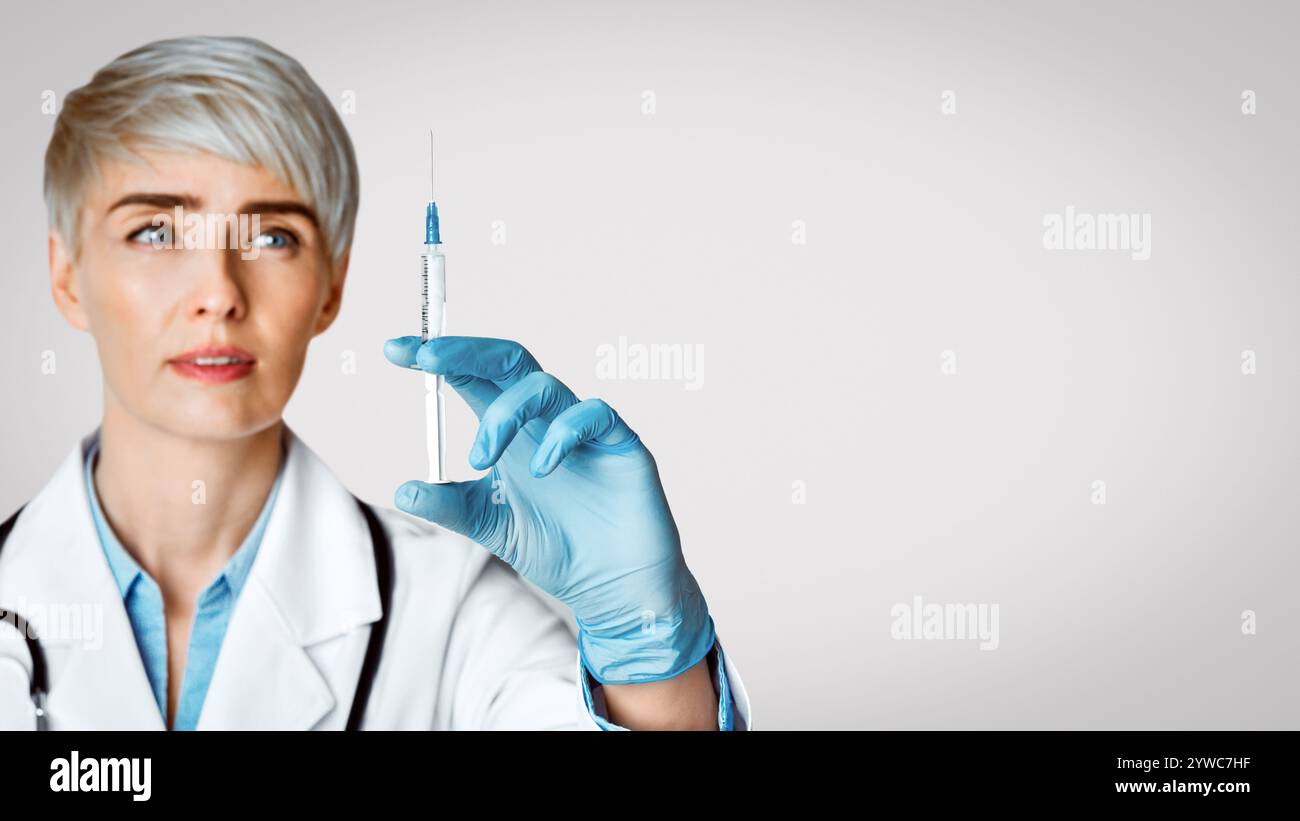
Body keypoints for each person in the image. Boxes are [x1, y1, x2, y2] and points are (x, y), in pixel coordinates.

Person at [0, 35, 749, 730]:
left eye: (272, 236)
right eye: (156, 232)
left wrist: (645, 638)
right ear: (67, 276)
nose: (219, 291)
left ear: (331, 284)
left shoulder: (457, 615)